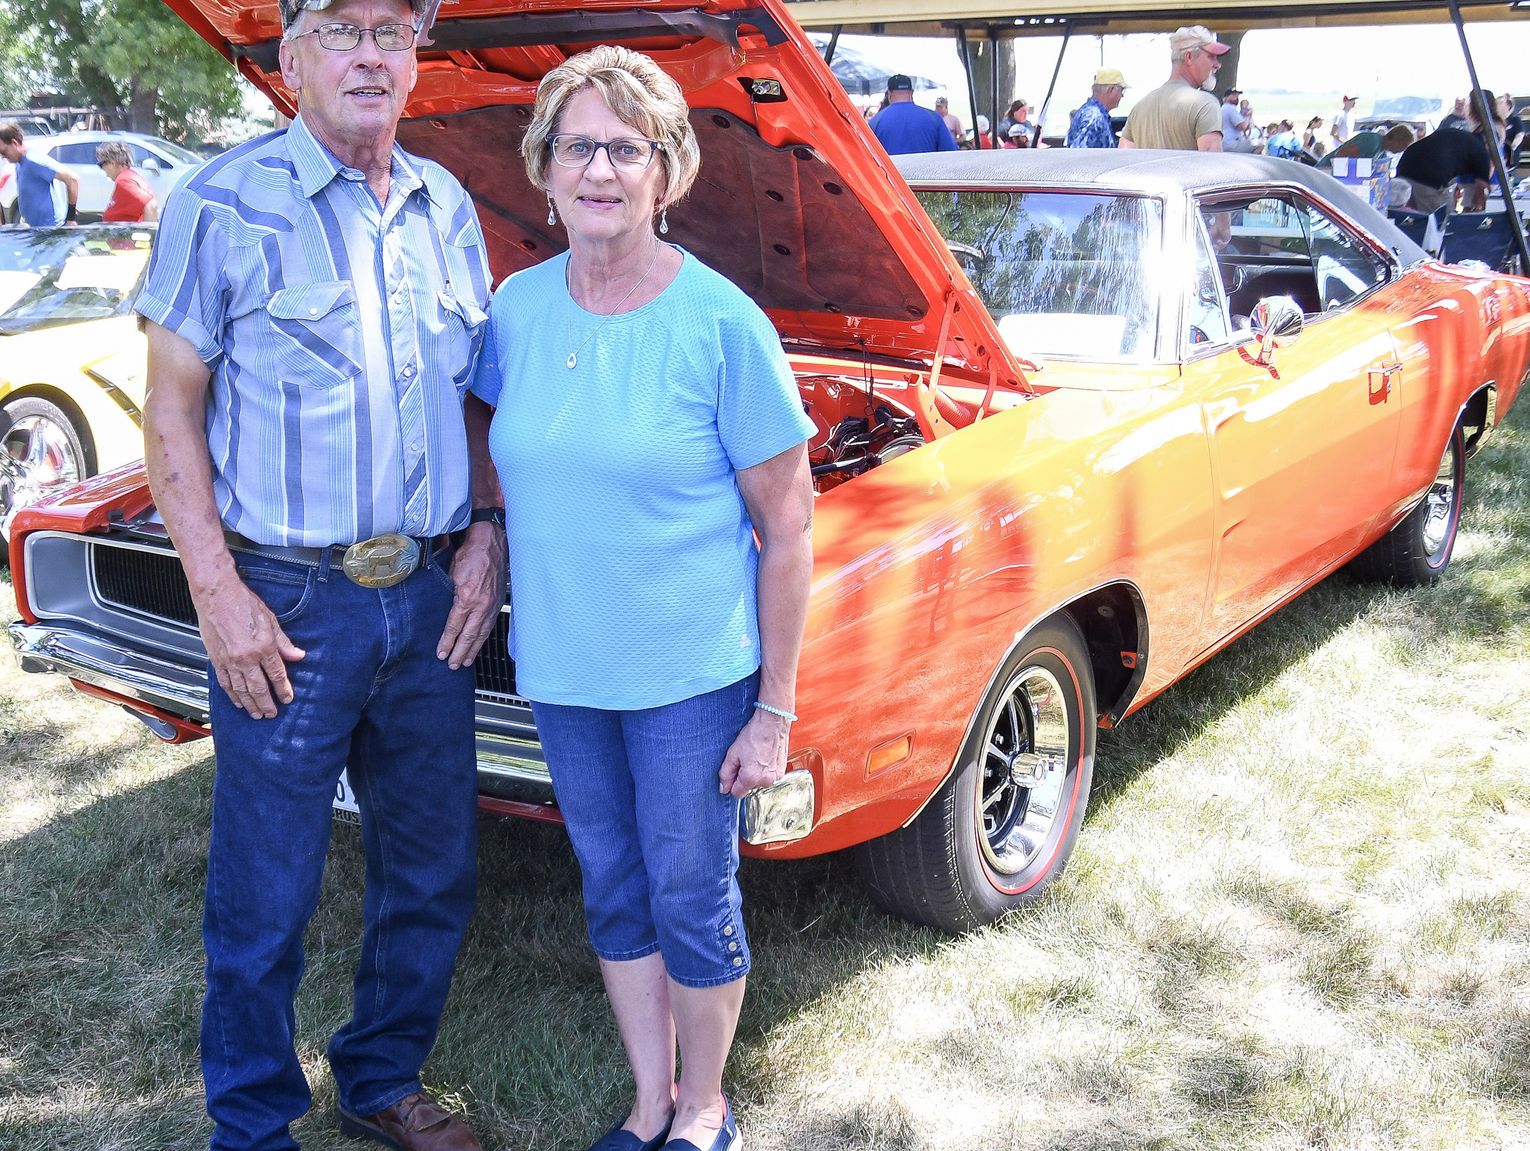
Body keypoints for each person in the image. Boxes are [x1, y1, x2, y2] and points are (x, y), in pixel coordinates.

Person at [135, 0, 502, 1145]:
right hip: (288, 604)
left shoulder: (448, 207)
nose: (369, 54)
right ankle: (250, 1120)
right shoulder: (221, 203)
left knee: (432, 866)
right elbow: (170, 412)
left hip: (429, 599)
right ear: (291, 60)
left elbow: (475, 395)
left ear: (416, 62)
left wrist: (486, 532)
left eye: (392, 31)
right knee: (269, 889)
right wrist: (219, 597)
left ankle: (381, 1075)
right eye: (340, 29)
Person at [472, 43, 814, 1151]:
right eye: (580, 146)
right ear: (545, 166)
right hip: (566, 668)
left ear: (666, 171)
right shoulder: (516, 311)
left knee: (688, 891)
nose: (601, 169)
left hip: (690, 679)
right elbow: (487, 426)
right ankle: (649, 1097)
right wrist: (487, 528)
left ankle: (707, 1104)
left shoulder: (722, 325)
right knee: (611, 881)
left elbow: (789, 523)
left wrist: (775, 710)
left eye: (628, 147)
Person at [1119, 25, 1227, 151]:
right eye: (1211, 57)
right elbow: (1212, 164)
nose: (1217, 64)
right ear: (1189, 57)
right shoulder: (1206, 104)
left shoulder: (1139, 107)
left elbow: (1124, 154)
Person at [1398, 93, 1496, 214]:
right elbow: (1481, 195)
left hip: (1405, 169)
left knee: (1414, 220)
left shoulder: (1464, 138)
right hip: (1426, 178)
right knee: (1444, 221)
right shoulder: (1481, 150)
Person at [0, 120, 80, 226]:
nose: (3, 156)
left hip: (51, 231)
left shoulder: (34, 160)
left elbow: (72, 179)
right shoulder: (20, 163)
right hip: (37, 230)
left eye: (3, 152)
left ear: (14, 143)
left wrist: (71, 219)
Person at [870, 73, 958, 155]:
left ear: (889, 94)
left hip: (891, 171)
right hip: (927, 171)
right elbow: (950, 154)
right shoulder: (933, 118)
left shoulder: (875, 121)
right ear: (912, 92)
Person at [96, 140, 159, 222]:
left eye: (101, 164)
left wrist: (147, 232)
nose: (103, 169)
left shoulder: (124, 181)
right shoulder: (131, 176)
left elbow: (151, 205)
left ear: (112, 163)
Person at [1065, 69, 1126, 148]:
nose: (1122, 96)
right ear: (1111, 90)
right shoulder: (1094, 117)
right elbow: (1080, 154)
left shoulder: (1091, 113)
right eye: (1122, 90)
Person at [1220, 87, 1255, 152]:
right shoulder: (1230, 108)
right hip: (1232, 143)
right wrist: (1248, 116)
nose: (1236, 98)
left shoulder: (1223, 108)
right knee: (1259, 146)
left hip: (1224, 142)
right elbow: (1242, 127)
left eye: (1237, 96)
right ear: (1226, 98)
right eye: (1233, 95)